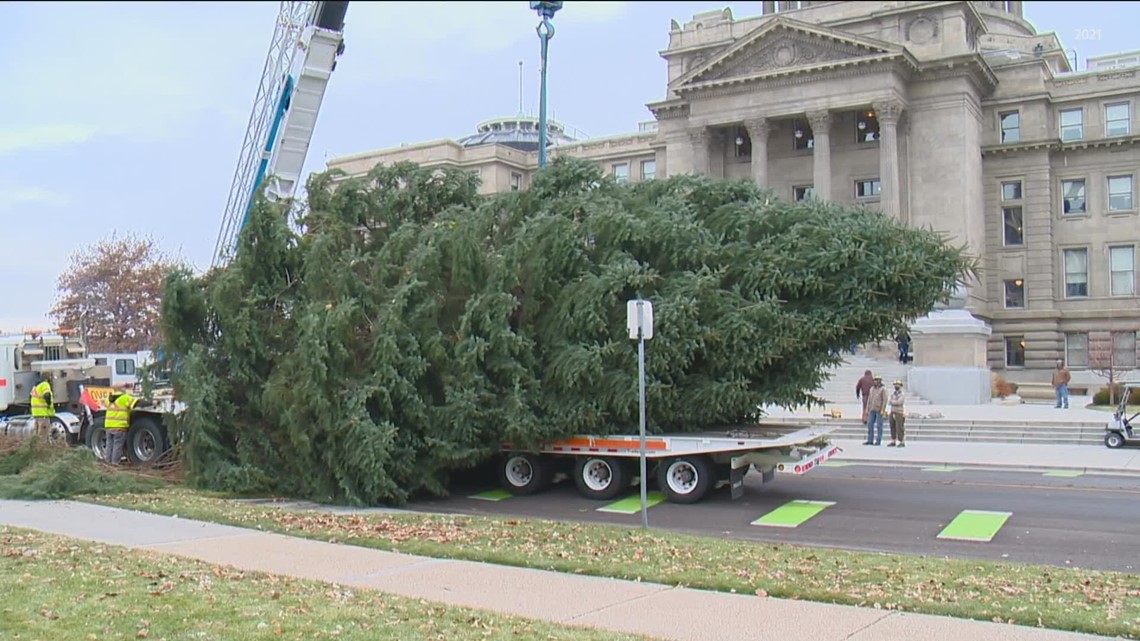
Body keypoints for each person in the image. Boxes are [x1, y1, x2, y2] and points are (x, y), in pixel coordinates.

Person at [104, 384, 139, 465]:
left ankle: (107, 464)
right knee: (117, 446)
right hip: (119, 427)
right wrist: (152, 402)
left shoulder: (108, 399)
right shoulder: (125, 398)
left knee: (109, 445)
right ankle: (114, 464)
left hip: (109, 426)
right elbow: (136, 403)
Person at [863, 375, 888, 446]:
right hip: (872, 409)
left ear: (880, 381)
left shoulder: (883, 389)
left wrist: (883, 409)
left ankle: (878, 440)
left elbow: (885, 400)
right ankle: (870, 439)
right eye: (875, 380)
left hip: (879, 409)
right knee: (870, 424)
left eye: (877, 380)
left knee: (879, 425)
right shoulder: (872, 389)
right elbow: (869, 399)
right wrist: (867, 409)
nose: (875, 382)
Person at [29, 376, 55, 440]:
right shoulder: (45, 384)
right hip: (43, 413)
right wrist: (49, 404)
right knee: (43, 435)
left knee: (37, 434)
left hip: (36, 414)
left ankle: (36, 448)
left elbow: (30, 398)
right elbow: (47, 395)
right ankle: (42, 449)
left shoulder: (35, 387)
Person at [887, 380, 907, 447]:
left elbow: (899, 402)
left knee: (899, 427)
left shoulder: (902, 394)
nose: (896, 386)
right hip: (892, 412)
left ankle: (901, 441)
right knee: (892, 426)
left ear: (900, 386)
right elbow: (889, 401)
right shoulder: (893, 394)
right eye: (895, 385)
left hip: (899, 412)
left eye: (897, 385)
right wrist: (894, 402)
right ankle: (893, 440)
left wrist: (893, 402)